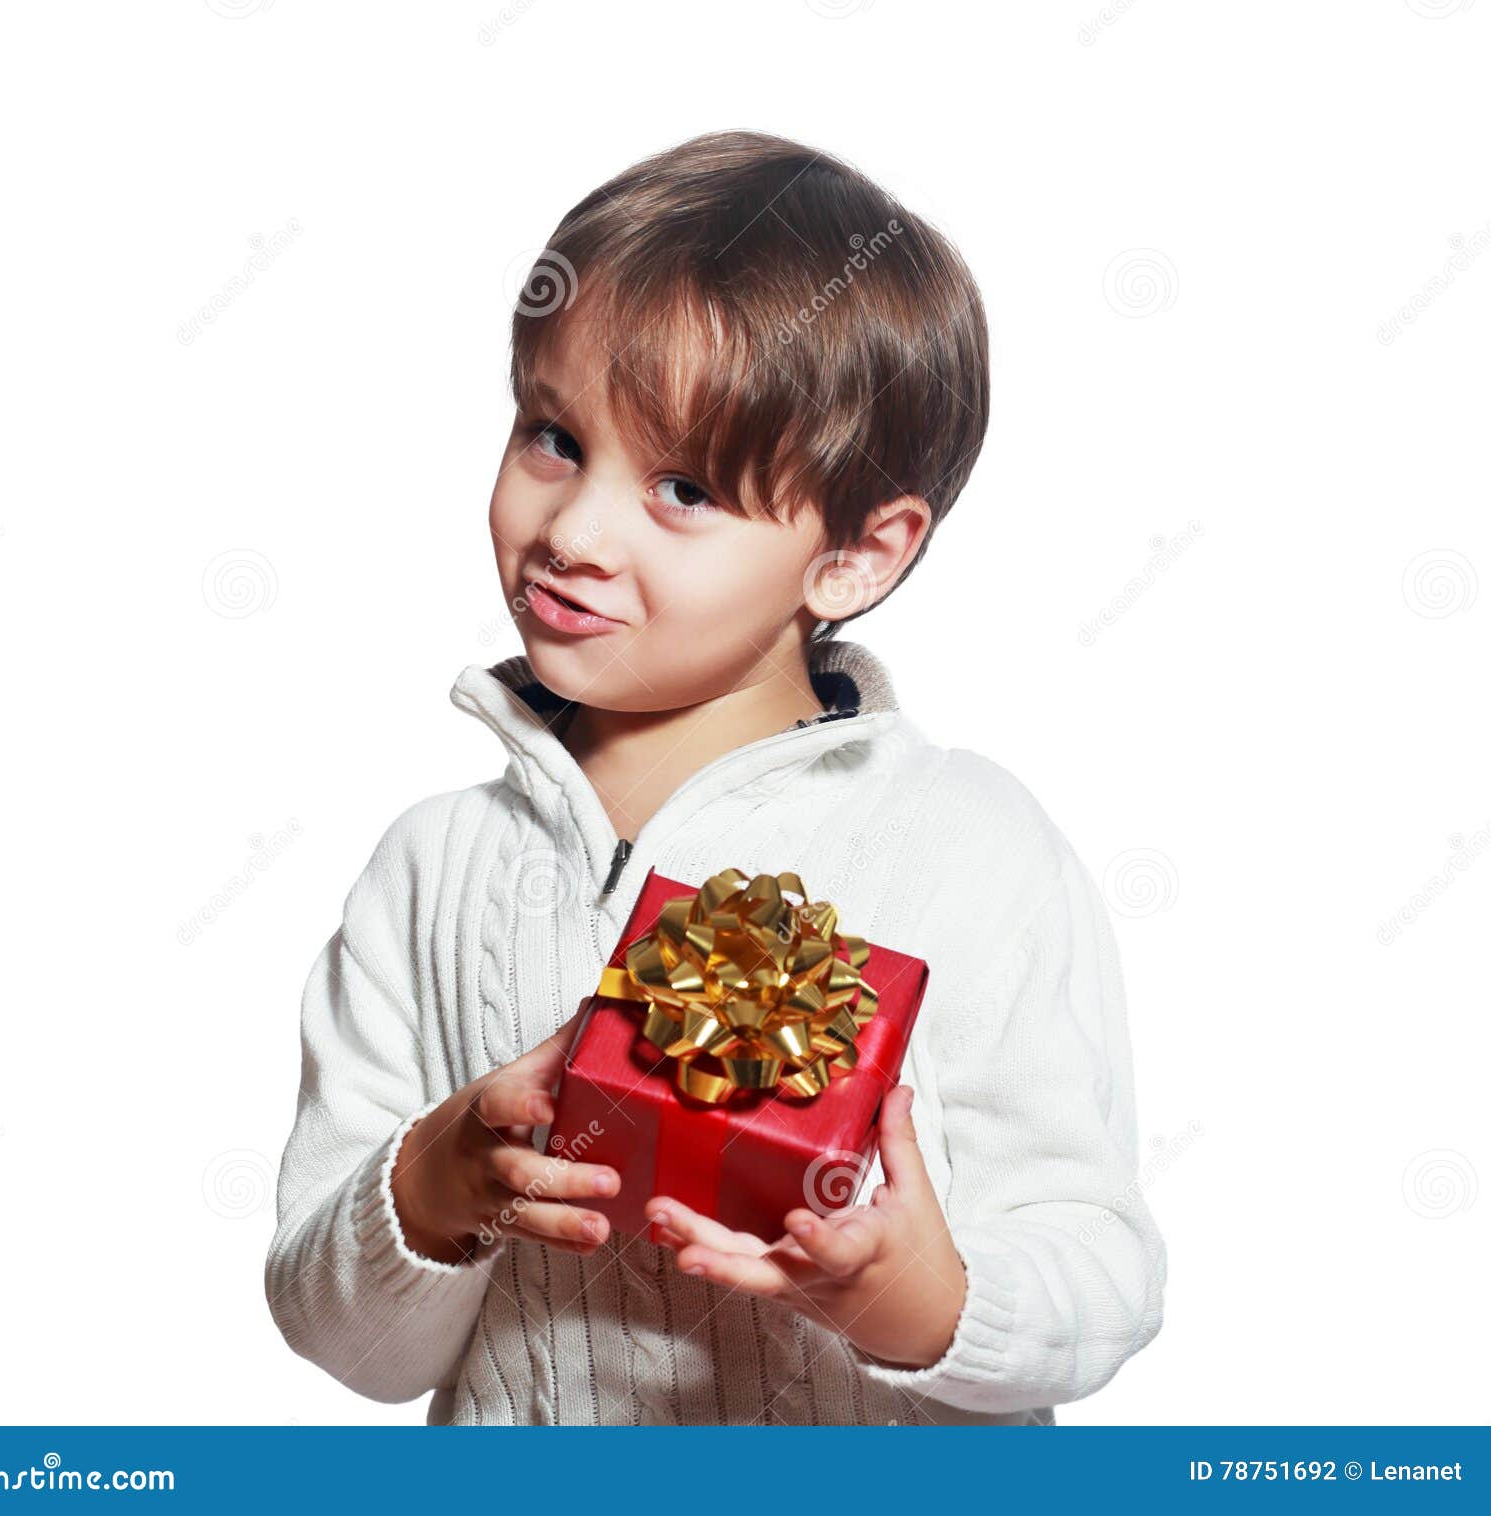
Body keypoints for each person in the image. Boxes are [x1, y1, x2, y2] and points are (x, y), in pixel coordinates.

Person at [264, 129, 1165, 1425]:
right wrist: (438, 1179)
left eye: (681, 487)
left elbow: (1103, 1268)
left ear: (854, 554)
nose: (571, 531)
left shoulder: (969, 844)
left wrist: (910, 1296)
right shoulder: (431, 868)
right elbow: (344, 1339)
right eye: (553, 437)